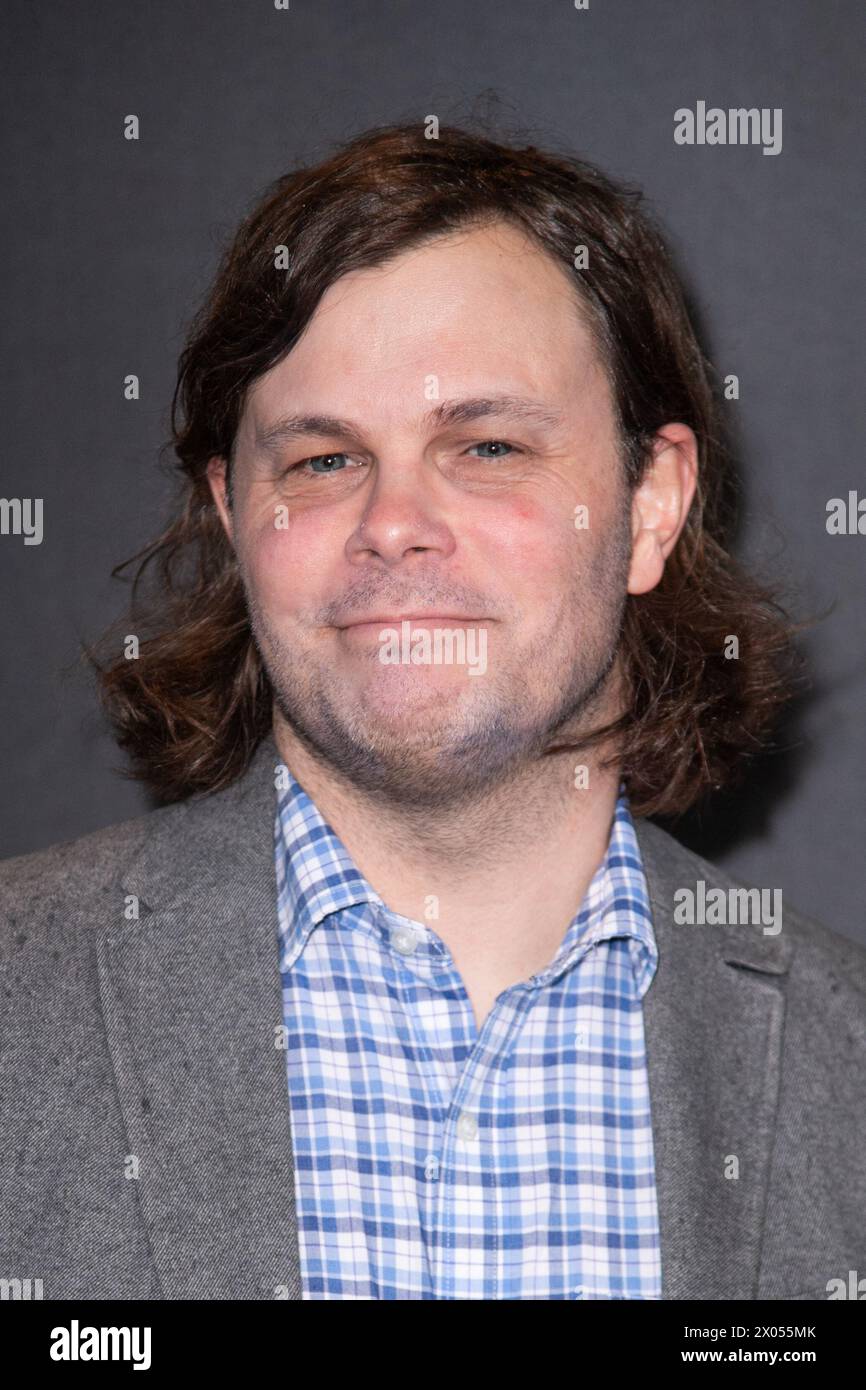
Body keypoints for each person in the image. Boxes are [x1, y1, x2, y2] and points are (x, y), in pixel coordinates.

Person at [1, 122, 864, 1301]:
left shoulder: (845, 1068)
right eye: (320, 461)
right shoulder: (20, 1002)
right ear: (232, 517)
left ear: (650, 503)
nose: (393, 521)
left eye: (488, 444)